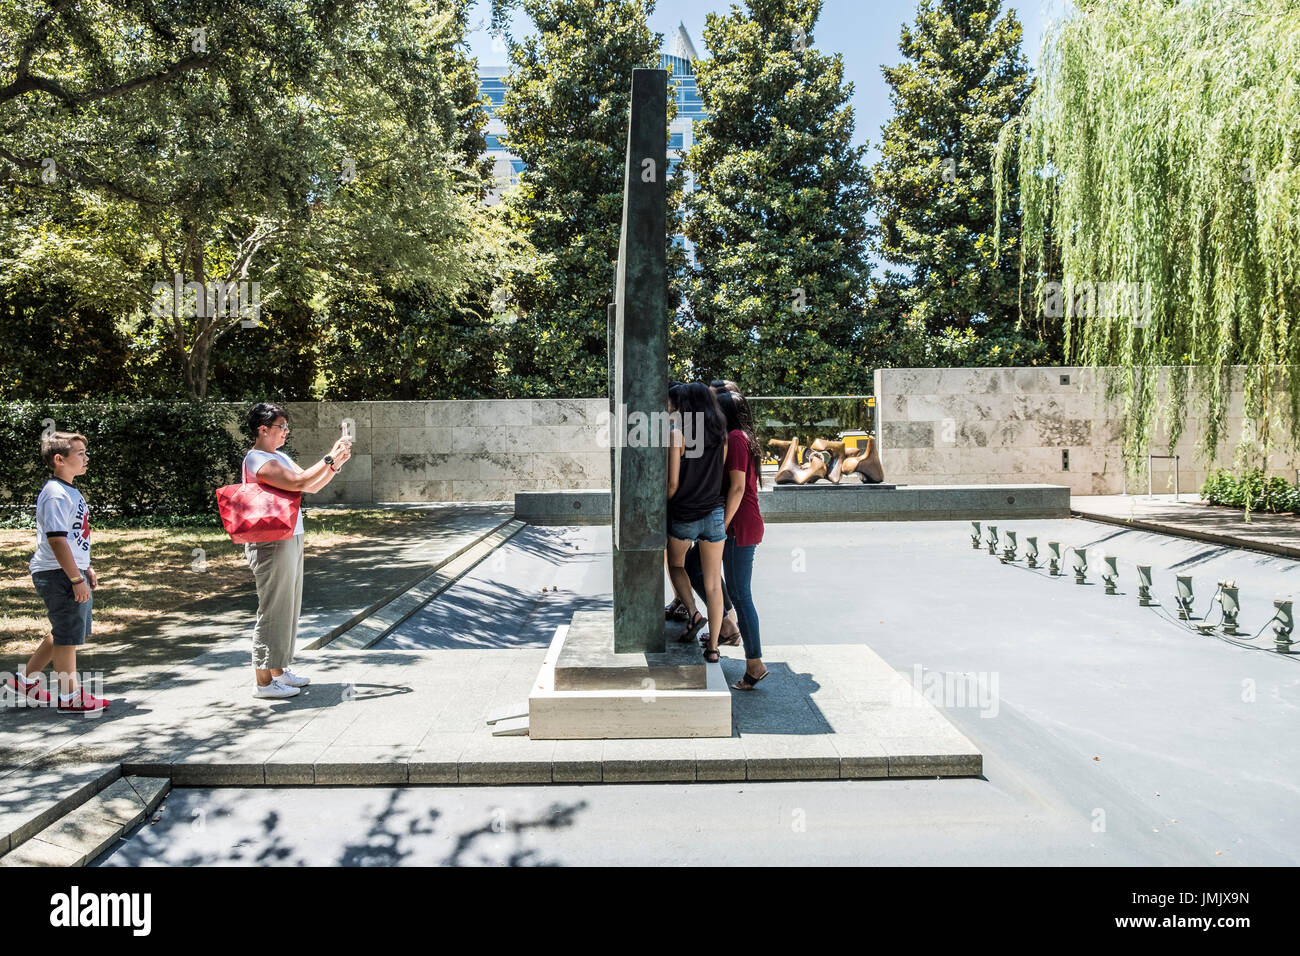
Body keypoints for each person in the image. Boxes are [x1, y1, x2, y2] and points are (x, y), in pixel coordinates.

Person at [242, 402, 351, 699]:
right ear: (262, 429)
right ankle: (263, 682)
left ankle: (279, 669)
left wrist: (335, 463)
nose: (286, 432)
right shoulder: (257, 460)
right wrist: (329, 456)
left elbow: (311, 486)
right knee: (273, 608)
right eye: (282, 427)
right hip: (269, 541)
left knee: (288, 606)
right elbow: (299, 481)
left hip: (290, 534)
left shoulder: (279, 456)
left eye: (287, 427)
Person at [8, 432, 109, 714]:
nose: (86, 457)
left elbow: (74, 537)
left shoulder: (69, 490)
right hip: (57, 573)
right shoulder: (54, 494)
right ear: (59, 459)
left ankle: (25, 682)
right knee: (68, 638)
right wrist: (74, 578)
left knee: (64, 631)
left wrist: (84, 567)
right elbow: (56, 540)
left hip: (69, 570)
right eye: (80, 453)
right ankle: (70, 698)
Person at [666, 383, 728, 663]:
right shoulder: (720, 434)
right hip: (714, 513)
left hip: (685, 513)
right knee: (714, 583)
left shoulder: (677, 434)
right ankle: (713, 648)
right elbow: (719, 476)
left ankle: (693, 611)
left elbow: (672, 483)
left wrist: (663, 504)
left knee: (676, 564)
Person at [717, 389, 768, 689]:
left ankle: (755, 663)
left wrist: (722, 526)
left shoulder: (736, 438)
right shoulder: (741, 436)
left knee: (741, 594)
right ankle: (726, 624)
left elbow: (736, 488)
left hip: (740, 526)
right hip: (742, 523)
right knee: (699, 566)